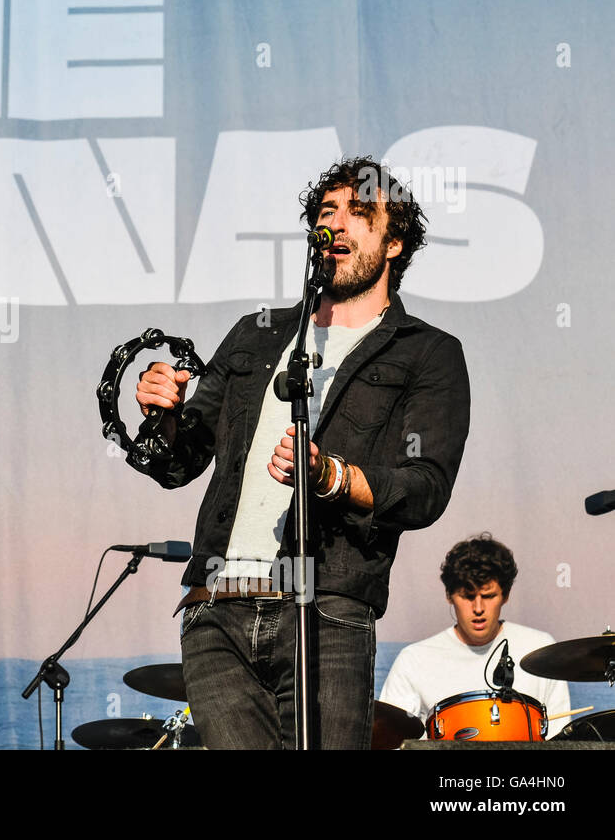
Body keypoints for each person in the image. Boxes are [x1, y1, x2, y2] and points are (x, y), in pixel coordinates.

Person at [132, 156, 471, 749]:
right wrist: (161, 414)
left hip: (327, 608)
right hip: (216, 608)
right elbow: (178, 464)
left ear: (393, 243)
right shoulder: (253, 334)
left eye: (358, 213)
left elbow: (425, 488)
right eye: (326, 211)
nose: (335, 223)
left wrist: (331, 477)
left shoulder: (427, 353)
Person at [380, 534, 569, 736]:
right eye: (468, 597)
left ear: (505, 595)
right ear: (449, 596)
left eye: (488, 596)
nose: (478, 608)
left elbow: (560, 738)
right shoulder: (413, 660)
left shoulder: (541, 649)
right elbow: (389, 739)